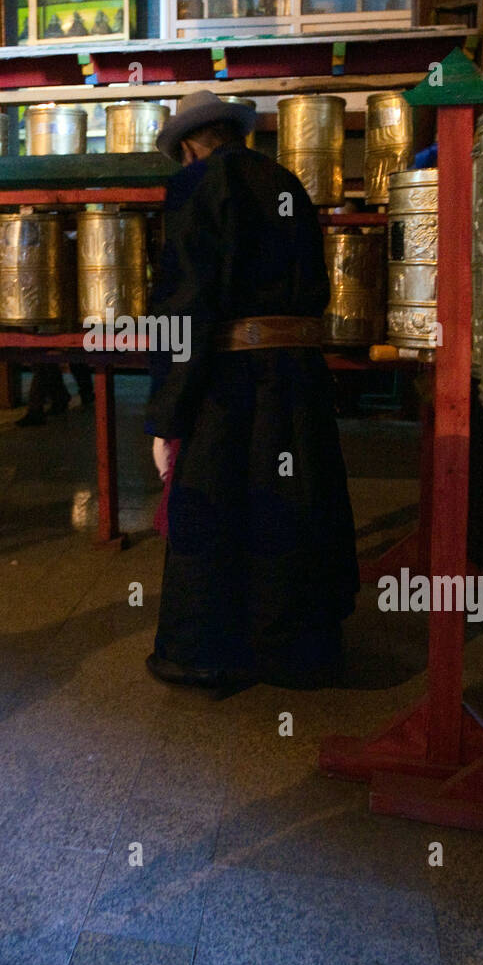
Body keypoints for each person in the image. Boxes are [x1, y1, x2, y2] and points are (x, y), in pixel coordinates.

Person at [145, 90, 359, 690]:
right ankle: (296, 651)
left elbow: (185, 305)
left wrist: (167, 412)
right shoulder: (289, 182)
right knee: (294, 505)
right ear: (234, 134)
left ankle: (206, 654)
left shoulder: (195, 186)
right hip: (297, 380)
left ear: (189, 147)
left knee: (219, 511)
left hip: (228, 385)